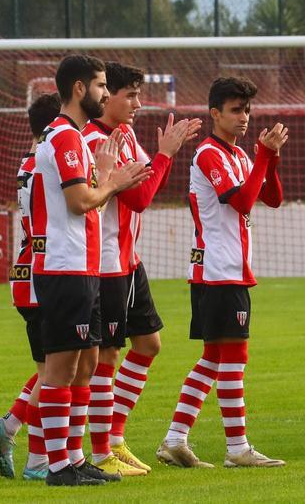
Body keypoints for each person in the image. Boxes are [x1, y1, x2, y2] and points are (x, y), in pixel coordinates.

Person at [156, 77, 288, 469]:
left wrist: (269, 159)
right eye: (235, 110)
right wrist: (262, 158)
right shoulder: (209, 154)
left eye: (246, 110)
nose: (243, 117)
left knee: (213, 358)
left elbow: (273, 198)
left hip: (226, 269)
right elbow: (243, 202)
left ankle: (175, 440)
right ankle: (237, 448)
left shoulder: (240, 156)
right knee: (233, 356)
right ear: (215, 113)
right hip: (219, 269)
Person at [32, 55, 151, 486]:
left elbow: (89, 198)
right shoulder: (65, 137)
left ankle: (76, 458)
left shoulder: (76, 138)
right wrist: (113, 181)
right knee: (61, 370)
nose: (105, 93)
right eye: (101, 85)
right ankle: (57, 466)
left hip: (84, 268)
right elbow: (80, 201)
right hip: (65, 268)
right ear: (79, 88)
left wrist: (104, 176)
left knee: (85, 366)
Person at [80, 62, 200, 476]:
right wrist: (166, 153)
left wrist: (163, 156)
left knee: (148, 344)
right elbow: (140, 198)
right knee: (104, 355)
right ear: (105, 97)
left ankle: (114, 438)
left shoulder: (126, 134)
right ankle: (101, 452)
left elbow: (149, 182)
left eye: (138, 94)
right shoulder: (95, 141)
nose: (138, 103)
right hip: (105, 263)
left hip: (129, 260)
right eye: (129, 95)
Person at [0, 93, 62, 481]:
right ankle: (38, 461)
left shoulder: (28, 164)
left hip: (28, 273)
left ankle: (10, 427)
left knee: (52, 369)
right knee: (55, 372)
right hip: (42, 276)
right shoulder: (46, 166)